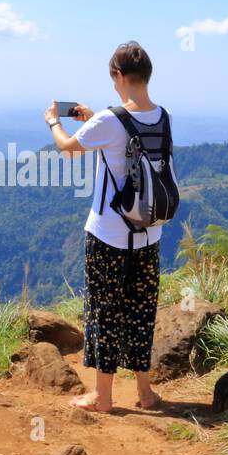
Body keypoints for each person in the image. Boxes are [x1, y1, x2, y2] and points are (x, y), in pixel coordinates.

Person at [44, 41, 169, 413]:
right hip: (149, 231)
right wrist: (94, 119)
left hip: (109, 234)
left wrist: (53, 119)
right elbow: (127, 141)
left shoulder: (110, 121)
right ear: (147, 75)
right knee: (140, 309)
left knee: (104, 309)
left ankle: (102, 396)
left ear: (118, 75)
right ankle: (145, 393)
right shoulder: (163, 116)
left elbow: (67, 147)